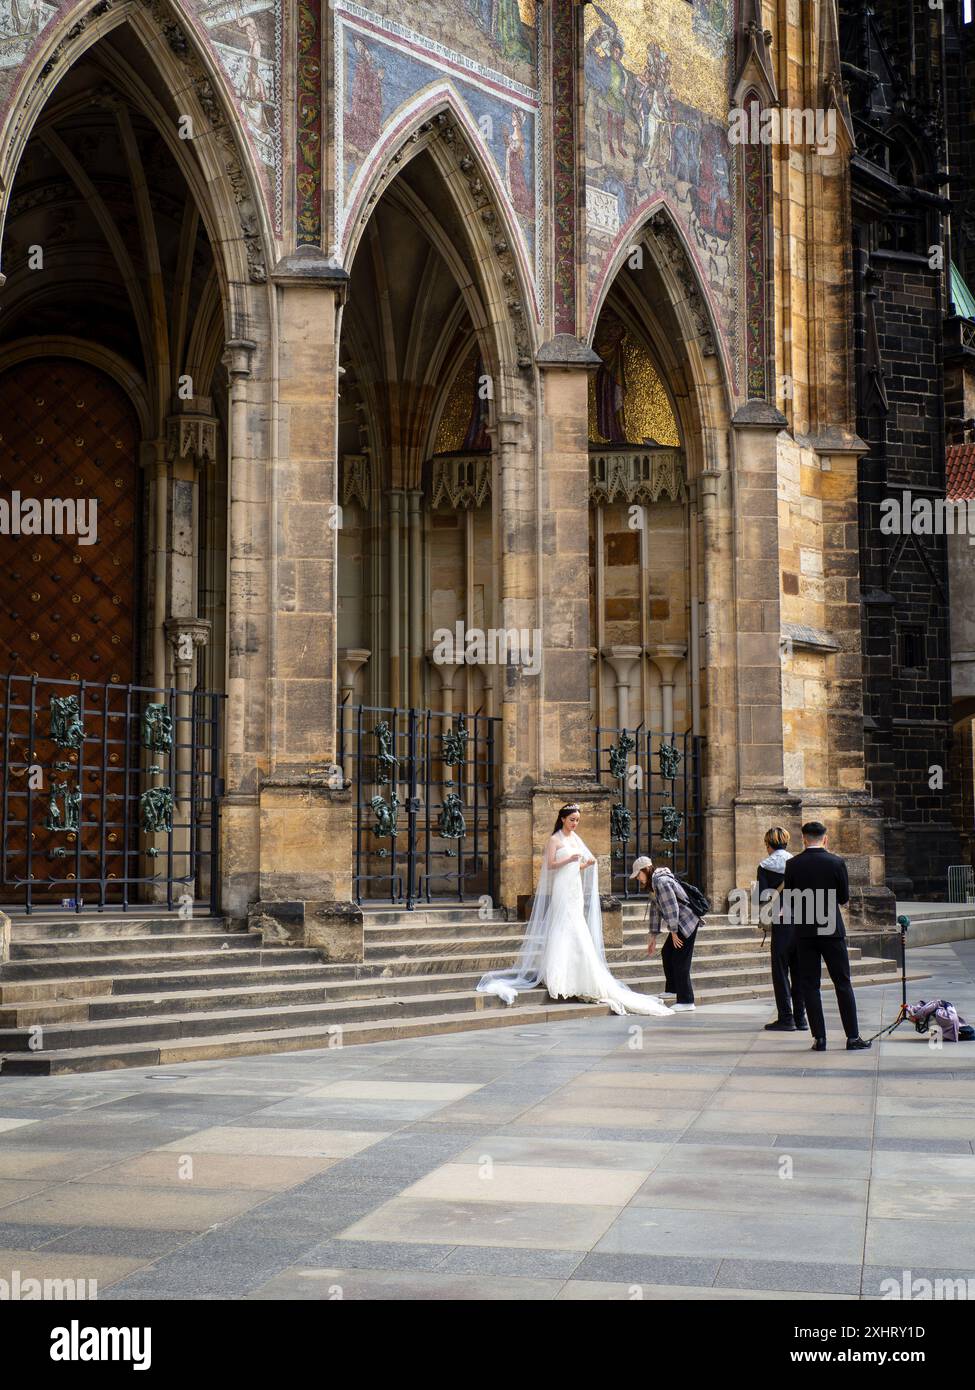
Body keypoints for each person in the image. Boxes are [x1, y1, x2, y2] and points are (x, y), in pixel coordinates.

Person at [476, 805, 672, 1016]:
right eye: (572, 820)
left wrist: (585, 865)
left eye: (577, 820)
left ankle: (580, 974)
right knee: (563, 924)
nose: (575, 823)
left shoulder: (576, 838)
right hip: (562, 886)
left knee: (576, 925)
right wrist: (569, 859)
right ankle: (560, 976)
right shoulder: (555, 839)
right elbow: (550, 865)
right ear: (562, 819)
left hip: (574, 887)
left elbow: (575, 865)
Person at [781, 821, 871, 1051]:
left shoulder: (792, 864)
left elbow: (790, 899)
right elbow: (843, 898)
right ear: (825, 838)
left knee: (810, 985)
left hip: (805, 931)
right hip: (831, 929)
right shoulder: (836, 862)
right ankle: (852, 1037)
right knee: (842, 982)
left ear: (804, 839)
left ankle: (819, 1039)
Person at [630, 854, 702, 1012]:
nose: (638, 878)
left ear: (646, 870)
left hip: (686, 922)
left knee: (680, 960)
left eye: (638, 874)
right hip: (679, 923)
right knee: (667, 952)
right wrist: (653, 936)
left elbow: (672, 908)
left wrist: (674, 931)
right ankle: (673, 988)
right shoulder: (654, 884)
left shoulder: (661, 882)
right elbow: (656, 911)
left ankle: (686, 1000)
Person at [757, 826, 806, 1032]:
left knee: (780, 971)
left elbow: (762, 897)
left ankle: (786, 1018)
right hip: (802, 922)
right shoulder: (797, 863)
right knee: (799, 971)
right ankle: (801, 1018)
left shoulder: (764, 866)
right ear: (786, 842)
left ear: (768, 844)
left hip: (782, 922)